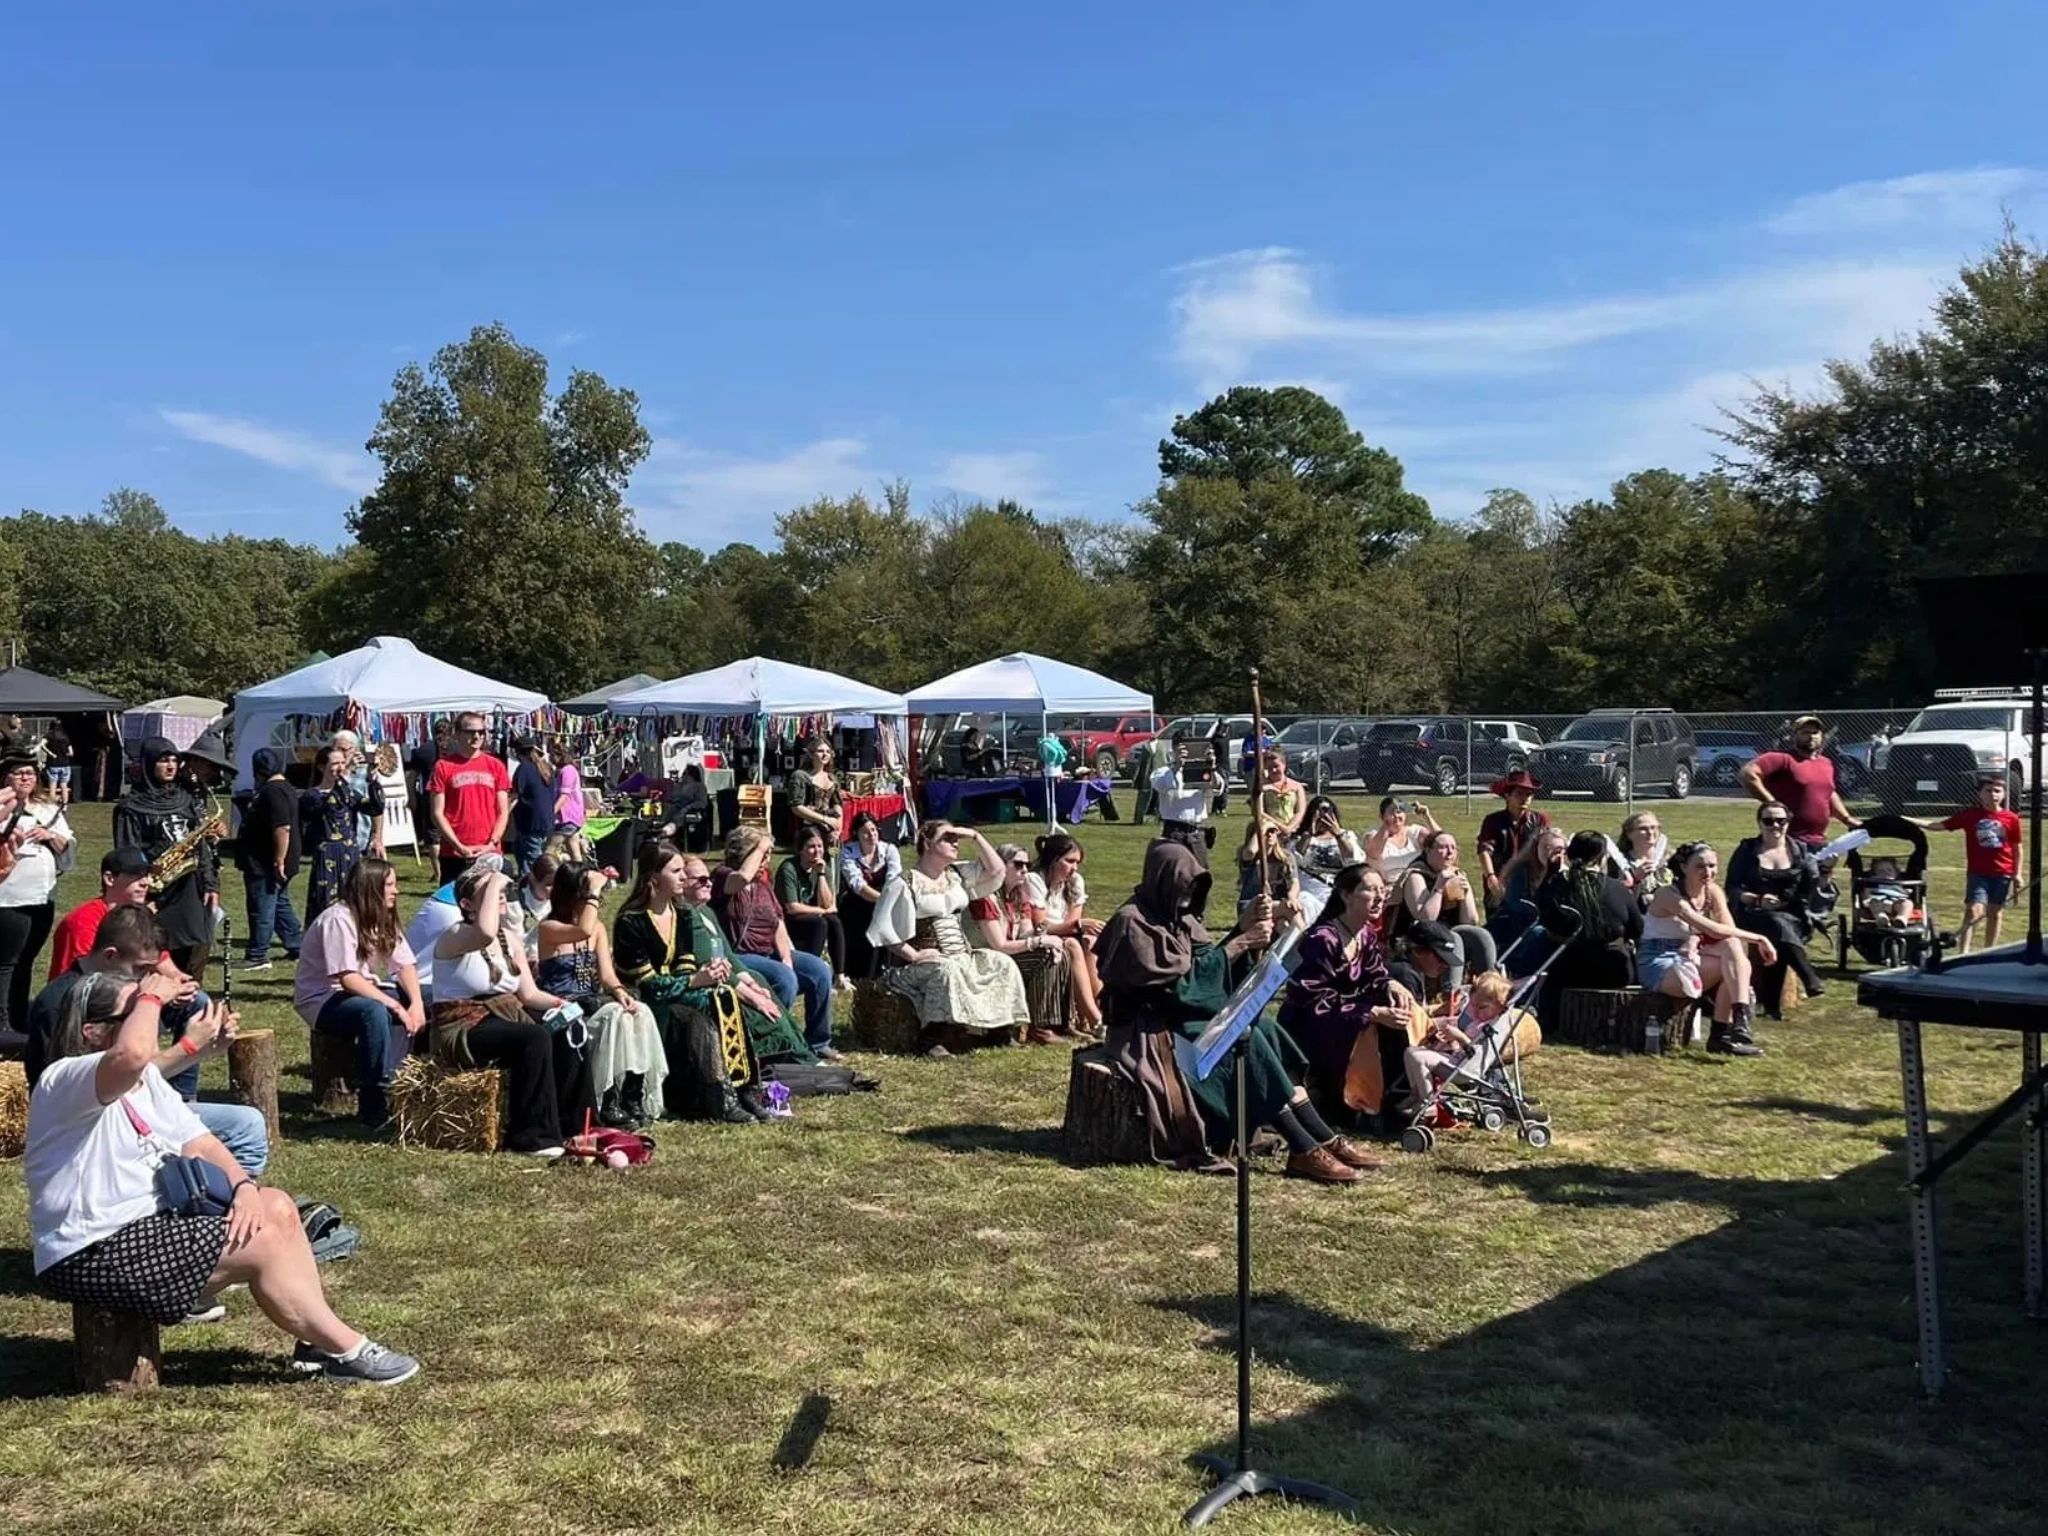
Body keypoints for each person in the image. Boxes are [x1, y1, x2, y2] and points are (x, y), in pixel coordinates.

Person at [26, 968, 419, 1383]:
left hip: (144, 1229)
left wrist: (245, 1188)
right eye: (138, 1012)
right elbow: (133, 1054)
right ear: (92, 1032)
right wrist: (151, 997)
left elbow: (201, 1142)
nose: (154, 1020)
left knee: (277, 1205)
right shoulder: (66, 1078)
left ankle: (319, 1342)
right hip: (91, 1250)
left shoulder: (143, 1082)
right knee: (264, 1242)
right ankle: (348, 1349)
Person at [1097, 840, 1379, 1182]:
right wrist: (1240, 941)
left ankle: (1323, 1136)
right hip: (1149, 1028)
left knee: (1266, 1031)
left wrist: (1244, 929)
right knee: (1241, 1041)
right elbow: (1180, 989)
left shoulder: (1179, 918)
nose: (1189, 894)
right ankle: (1302, 1146)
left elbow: (1206, 966)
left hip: (1184, 1016)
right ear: (1165, 879)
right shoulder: (1134, 923)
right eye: (1185, 885)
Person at [29, 903, 268, 1177]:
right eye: (142, 968)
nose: (150, 978)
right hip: (91, 1125)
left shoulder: (126, 990)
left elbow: (140, 1074)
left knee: (247, 1123)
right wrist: (187, 1045)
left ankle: (232, 1200)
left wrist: (204, 1047)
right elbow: (107, 1081)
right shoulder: (58, 1003)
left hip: (129, 1104)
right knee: (241, 1129)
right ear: (110, 956)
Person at [614, 842, 810, 1122]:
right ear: (653, 878)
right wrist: (697, 979)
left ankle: (745, 1089)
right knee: (716, 1000)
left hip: (680, 991)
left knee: (723, 995)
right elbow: (648, 984)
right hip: (647, 1001)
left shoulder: (681, 913)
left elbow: (684, 965)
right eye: (676, 871)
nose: (683, 877)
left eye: (684, 870)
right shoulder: (631, 921)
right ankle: (724, 1096)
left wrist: (709, 973)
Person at [429, 867, 594, 1155]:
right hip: (464, 1025)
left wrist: (562, 1006)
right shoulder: (455, 935)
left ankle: (578, 1125)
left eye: (501, 891)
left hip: (505, 1014)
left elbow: (529, 994)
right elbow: (483, 932)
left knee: (568, 1030)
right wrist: (495, 878)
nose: (499, 894)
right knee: (532, 1037)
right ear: (467, 905)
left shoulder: (508, 938)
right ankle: (532, 1137)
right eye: (489, 892)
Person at [867, 821, 1030, 1057]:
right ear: (927, 842)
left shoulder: (957, 875)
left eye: (956, 838)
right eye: (947, 838)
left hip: (960, 954)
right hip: (918, 964)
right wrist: (914, 955)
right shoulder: (905, 882)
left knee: (1000, 962)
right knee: (946, 970)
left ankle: (998, 1031)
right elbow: (882, 928)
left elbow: (998, 871)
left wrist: (974, 835)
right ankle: (933, 1039)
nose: (955, 842)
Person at [1278, 864, 1419, 1123]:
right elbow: (1313, 1002)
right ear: (1346, 895)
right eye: (1371, 890)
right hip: (1313, 1026)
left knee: (1397, 1002)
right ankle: (1365, 1104)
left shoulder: (1364, 934)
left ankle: (1400, 1098)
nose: (1380, 897)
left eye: (1383, 890)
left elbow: (1375, 974)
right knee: (1379, 1019)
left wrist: (1390, 984)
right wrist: (1372, 1013)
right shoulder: (1323, 939)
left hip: (1345, 1016)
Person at [295, 859, 426, 1129]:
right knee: (374, 1012)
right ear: (371, 888)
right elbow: (347, 979)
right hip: (322, 999)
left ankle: (414, 1085)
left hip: (364, 989)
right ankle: (374, 1103)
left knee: (430, 996)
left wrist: (416, 1003)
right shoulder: (338, 919)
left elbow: (404, 963)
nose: (396, 891)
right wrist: (397, 1006)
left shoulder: (382, 914)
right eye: (389, 885)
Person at [535, 861, 668, 1127]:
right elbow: (581, 930)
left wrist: (620, 992)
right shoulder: (548, 928)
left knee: (638, 1012)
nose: (592, 900)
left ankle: (633, 1094)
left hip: (590, 1000)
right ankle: (606, 1100)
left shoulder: (596, 929)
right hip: (562, 1006)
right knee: (613, 1016)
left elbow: (606, 975)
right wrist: (595, 886)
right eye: (586, 894)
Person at [1640, 842, 1776, 1058]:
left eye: (1712, 866)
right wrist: (1759, 938)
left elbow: (1728, 931)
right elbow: (1710, 927)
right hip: (1661, 960)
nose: (1708, 872)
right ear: (1684, 867)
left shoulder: (1712, 891)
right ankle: (1725, 1032)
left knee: (1732, 951)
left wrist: (1695, 940)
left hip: (1693, 956)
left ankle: (1737, 1025)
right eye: (1700, 866)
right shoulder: (1668, 894)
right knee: (1734, 966)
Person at [715, 825, 839, 1060]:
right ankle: (775, 1041)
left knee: (820, 970)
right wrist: (761, 844)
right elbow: (741, 878)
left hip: (768, 952)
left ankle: (818, 1040)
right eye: (763, 853)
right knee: (784, 978)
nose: (767, 858)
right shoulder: (723, 876)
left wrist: (786, 957)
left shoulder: (763, 886)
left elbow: (778, 923)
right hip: (738, 955)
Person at [113, 736, 220, 979]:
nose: (170, 766)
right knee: (157, 952)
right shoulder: (131, 807)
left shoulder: (186, 799)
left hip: (189, 887)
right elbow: (127, 852)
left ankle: (189, 1005)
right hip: (156, 889)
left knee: (194, 953)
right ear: (150, 764)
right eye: (163, 760)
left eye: (174, 760)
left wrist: (210, 882)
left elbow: (200, 843)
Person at [1727, 800, 1828, 1016]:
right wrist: (1756, 899)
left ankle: (1772, 1008)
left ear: (1788, 822)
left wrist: (1825, 870)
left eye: (1780, 820)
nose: (1775, 825)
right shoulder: (1747, 850)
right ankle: (1809, 977)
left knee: (1779, 931)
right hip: (1751, 913)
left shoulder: (1800, 851)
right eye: (1768, 820)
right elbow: (1732, 888)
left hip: (1792, 914)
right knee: (1776, 924)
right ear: (1759, 823)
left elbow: (1808, 889)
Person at [1536, 831, 1643, 1023]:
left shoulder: (1555, 885)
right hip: (1614, 971)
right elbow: (1636, 929)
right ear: (1603, 857)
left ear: (1568, 855)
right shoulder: (1617, 888)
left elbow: (1544, 919)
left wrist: (1549, 875)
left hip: (1567, 970)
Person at [1401, 970, 1534, 1125]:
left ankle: (1428, 1103)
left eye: (1482, 1007)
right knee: (1410, 1052)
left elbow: (1474, 1051)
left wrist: (1458, 1036)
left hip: (1466, 1068)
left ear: (1499, 1006)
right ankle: (1417, 1094)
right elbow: (1461, 1044)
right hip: (1456, 1060)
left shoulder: (1492, 1026)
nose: (1475, 1011)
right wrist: (1449, 1038)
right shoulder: (1478, 1020)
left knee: (1418, 1058)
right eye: (1473, 1005)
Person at [0, 757, 73, 1038]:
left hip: (42, 897)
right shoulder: (3, 809)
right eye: (17, 773)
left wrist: (49, 835)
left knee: (27, 958)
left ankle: (18, 1014)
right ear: (5, 778)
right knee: (6, 961)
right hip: (10, 898)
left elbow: (67, 847)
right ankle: (3, 1020)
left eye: (29, 773)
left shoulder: (47, 808)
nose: (24, 778)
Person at [971, 842, 1071, 1042]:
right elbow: (998, 944)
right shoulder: (984, 897)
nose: (1024, 870)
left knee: (1059, 952)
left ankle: (1060, 1023)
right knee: (1043, 957)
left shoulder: (1019, 895)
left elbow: (1026, 932)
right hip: (984, 957)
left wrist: (1044, 938)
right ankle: (1039, 1027)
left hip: (1008, 954)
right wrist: (1038, 943)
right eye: (1017, 865)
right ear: (1000, 865)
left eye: (1026, 865)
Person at [1914, 775, 2023, 954]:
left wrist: (2017, 874)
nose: (1993, 795)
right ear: (1979, 794)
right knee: (1974, 911)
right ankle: (1963, 952)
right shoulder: (1970, 815)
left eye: (1997, 791)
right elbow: (1940, 825)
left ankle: (1989, 951)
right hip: (1978, 873)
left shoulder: (2011, 818)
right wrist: (1912, 821)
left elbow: (2017, 847)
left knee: (1995, 912)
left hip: (2002, 873)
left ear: (2004, 794)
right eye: (1988, 791)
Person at [1740, 715, 1860, 852]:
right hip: (1787, 841)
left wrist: (1846, 818)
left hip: (1819, 842)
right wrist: (1772, 805)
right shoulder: (1783, 759)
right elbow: (1747, 774)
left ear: (1821, 736)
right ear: (1794, 736)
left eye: (1815, 732)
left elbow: (1829, 793)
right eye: (1805, 732)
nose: (1811, 736)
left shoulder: (1826, 763)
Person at [299, 742, 385, 925]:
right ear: (322, 767)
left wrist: (373, 781)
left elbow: (374, 807)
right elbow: (329, 804)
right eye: (335, 764)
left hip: (349, 852)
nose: (340, 767)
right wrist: (345, 776)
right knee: (325, 902)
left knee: (353, 898)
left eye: (342, 763)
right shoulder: (312, 795)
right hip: (327, 853)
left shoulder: (348, 792)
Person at [237, 748, 305, 972]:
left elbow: (282, 827)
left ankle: (258, 954)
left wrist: (279, 859)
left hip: (266, 861)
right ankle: (298, 944)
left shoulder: (273, 792)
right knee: (279, 904)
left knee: (262, 906)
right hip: (275, 858)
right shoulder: (285, 788)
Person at [1029, 833, 1103, 1036]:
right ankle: (1093, 1017)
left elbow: (1073, 922)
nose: (1074, 868)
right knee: (1073, 944)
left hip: (1066, 933)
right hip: (1041, 935)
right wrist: (1078, 925)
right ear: (1053, 860)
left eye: (1077, 862)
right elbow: (1040, 925)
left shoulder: (1075, 881)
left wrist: (1080, 926)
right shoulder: (1035, 879)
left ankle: (1101, 1008)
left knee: (1090, 941)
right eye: (1069, 861)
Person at [427, 713, 512, 886]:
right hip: (454, 853)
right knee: (453, 907)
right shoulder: (443, 767)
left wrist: (492, 842)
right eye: (471, 732)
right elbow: (437, 813)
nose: (477, 736)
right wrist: (459, 846)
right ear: (457, 734)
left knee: (489, 906)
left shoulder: (495, 766)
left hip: (489, 850)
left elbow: (503, 811)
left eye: (481, 732)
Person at [48, 847, 155, 981]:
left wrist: (177, 979)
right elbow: (85, 977)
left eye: (146, 875)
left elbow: (159, 958)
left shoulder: (139, 916)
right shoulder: (83, 921)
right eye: (135, 875)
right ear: (110, 879)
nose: (145, 883)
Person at [777, 824, 850, 994]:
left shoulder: (822, 868)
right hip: (789, 920)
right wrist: (822, 912)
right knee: (821, 923)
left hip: (813, 915)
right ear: (801, 849)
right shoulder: (789, 868)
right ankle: (813, 972)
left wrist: (822, 875)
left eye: (819, 846)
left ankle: (839, 976)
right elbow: (792, 907)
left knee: (834, 922)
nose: (816, 851)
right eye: (811, 846)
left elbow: (829, 904)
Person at [1476, 770, 1550, 915]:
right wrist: (1491, 878)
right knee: (1498, 925)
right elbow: (1484, 850)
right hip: (1500, 881)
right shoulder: (1492, 821)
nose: (1525, 799)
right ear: (1507, 796)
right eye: (1519, 794)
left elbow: (1548, 848)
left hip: (1530, 882)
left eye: (1529, 794)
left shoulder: (1539, 820)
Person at [837, 812, 901, 981]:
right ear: (856, 834)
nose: (871, 835)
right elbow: (857, 884)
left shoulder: (889, 850)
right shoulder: (848, 852)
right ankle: (858, 971)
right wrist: (882, 901)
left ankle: (886, 967)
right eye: (865, 832)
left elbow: (894, 878)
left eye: (873, 830)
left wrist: (886, 902)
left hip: (885, 900)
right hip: (858, 903)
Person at [1394, 829, 1479, 941]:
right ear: (1428, 851)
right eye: (1443, 847)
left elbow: (1470, 921)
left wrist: (1466, 894)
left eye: (1453, 848)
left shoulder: (1457, 875)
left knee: (1480, 936)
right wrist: (1439, 887)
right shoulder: (1416, 875)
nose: (1450, 852)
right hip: (1421, 938)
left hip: (1452, 935)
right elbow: (1426, 918)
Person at [1150, 732, 1218, 869]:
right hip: (1174, 832)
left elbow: (1217, 786)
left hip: (1197, 833)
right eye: (1182, 748)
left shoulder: (1202, 771)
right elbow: (1163, 785)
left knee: (1199, 877)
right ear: (1174, 749)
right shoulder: (1163, 772)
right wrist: (1177, 767)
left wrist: (1211, 766)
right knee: (1173, 875)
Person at [1236, 820, 1302, 926]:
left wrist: (1292, 896)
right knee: (1290, 910)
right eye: (1266, 832)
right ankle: (1307, 940)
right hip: (1251, 906)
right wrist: (1262, 827)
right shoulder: (1249, 856)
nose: (1270, 835)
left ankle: (1298, 941)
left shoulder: (1286, 857)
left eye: (1273, 831)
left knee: (1283, 925)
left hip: (1275, 904)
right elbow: (1250, 852)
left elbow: (1294, 882)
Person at [508, 737, 557, 874]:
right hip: (545, 820)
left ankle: (539, 883)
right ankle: (525, 879)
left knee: (533, 859)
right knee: (520, 850)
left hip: (531, 822)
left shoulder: (524, 769)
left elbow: (514, 796)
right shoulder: (545, 768)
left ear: (517, 752)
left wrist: (501, 815)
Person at [787, 737, 844, 854]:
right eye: (821, 751)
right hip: (808, 828)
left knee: (832, 864)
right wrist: (824, 819)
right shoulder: (800, 776)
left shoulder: (831, 778)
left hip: (830, 829)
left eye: (828, 751)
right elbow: (796, 807)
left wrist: (838, 828)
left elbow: (837, 804)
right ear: (811, 754)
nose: (825, 754)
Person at [1364, 796, 1436, 885]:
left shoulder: (1415, 832)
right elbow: (1374, 853)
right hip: (1389, 885)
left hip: (1419, 881)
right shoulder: (1373, 835)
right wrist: (1386, 826)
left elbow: (1442, 841)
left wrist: (1427, 816)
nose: (1396, 816)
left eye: (1399, 812)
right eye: (1391, 812)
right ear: (1382, 816)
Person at [1293, 796, 1366, 882]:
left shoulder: (1346, 836)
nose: (1324, 817)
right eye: (1318, 813)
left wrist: (1338, 835)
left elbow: (1355, 860)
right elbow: (1294, 859)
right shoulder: (1301, 838)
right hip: (1309, 887)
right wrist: (1309, 834)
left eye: (1327, 811)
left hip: (1338, 887)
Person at [407, 721, 450, 858]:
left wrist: (412, 797)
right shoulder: (459, 748)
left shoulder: (423, 750)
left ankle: (438, 872)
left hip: (431, 795)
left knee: (433, 833)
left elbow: (411, 777)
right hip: (454, 795)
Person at [657, 764, 714, 854]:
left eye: (686, 773)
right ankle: (661, 830)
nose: (684, 776)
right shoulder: (679, 786)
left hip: (689, 810)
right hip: (675, 808)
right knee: (667, 810)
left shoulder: (699, 786)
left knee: (678, 816)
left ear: (691, 775)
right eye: (684, 773)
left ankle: (666, 833)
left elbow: (702, 802)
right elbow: (672, 797)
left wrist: (688, 807)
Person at [1615, 810, 1669, 903]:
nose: (1650, 832)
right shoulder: (1618, 862)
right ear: (1629, 834)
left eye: (1654, 827)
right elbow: (1615, 898)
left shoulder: (1670, 859)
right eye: (1643, 829)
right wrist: (1635, 878)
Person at [550, 741, 591, 862]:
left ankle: (544, 875)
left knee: (549, 849)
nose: (551, 758)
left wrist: (551, 812)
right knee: (574, 853)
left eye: (552, 755)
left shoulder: (567, 771)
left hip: (568, 818)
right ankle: (580, 876)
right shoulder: (566, 771)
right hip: (573, 819)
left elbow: (564, 795)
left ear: (558, 756)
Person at [1255, 748, 1307, 836]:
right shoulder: (1262, 787)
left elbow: (1300, 811)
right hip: (1270, 829)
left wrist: (1289, 827)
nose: (1273, 770)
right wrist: (1281, 827)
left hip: (1294, 829)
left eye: (1276, 766)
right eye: (1269, 768)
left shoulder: (1297, 786)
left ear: (1284, 765)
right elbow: (1259, 812)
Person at [43, 721, 74, 804]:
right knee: (64, 786)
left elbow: (42, 745)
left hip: (53, 763)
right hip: (65, 764)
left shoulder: (49, 736)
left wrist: (50, 753)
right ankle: (65, 805)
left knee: (52, 786)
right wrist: (64, 754)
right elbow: (71, 753)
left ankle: (52, 805)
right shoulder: (65, 737)